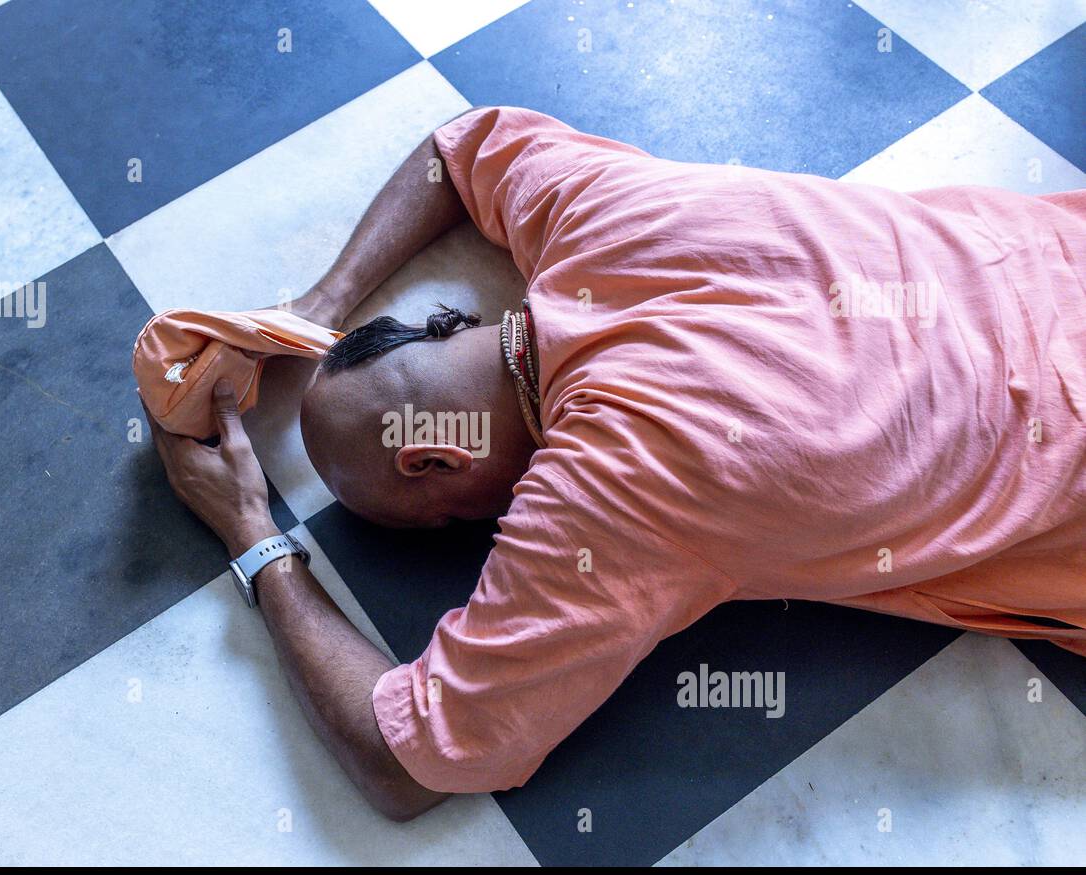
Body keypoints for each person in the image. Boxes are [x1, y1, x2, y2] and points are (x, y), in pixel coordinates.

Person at [141, 106, 1086, 821]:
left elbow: (409, 762)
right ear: (451, 325)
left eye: (418, 520)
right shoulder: (611, 216)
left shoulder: (612, 499)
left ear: (435, 463)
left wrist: (253, 534)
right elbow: (460, 148)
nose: (449, 539)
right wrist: (313, 311)